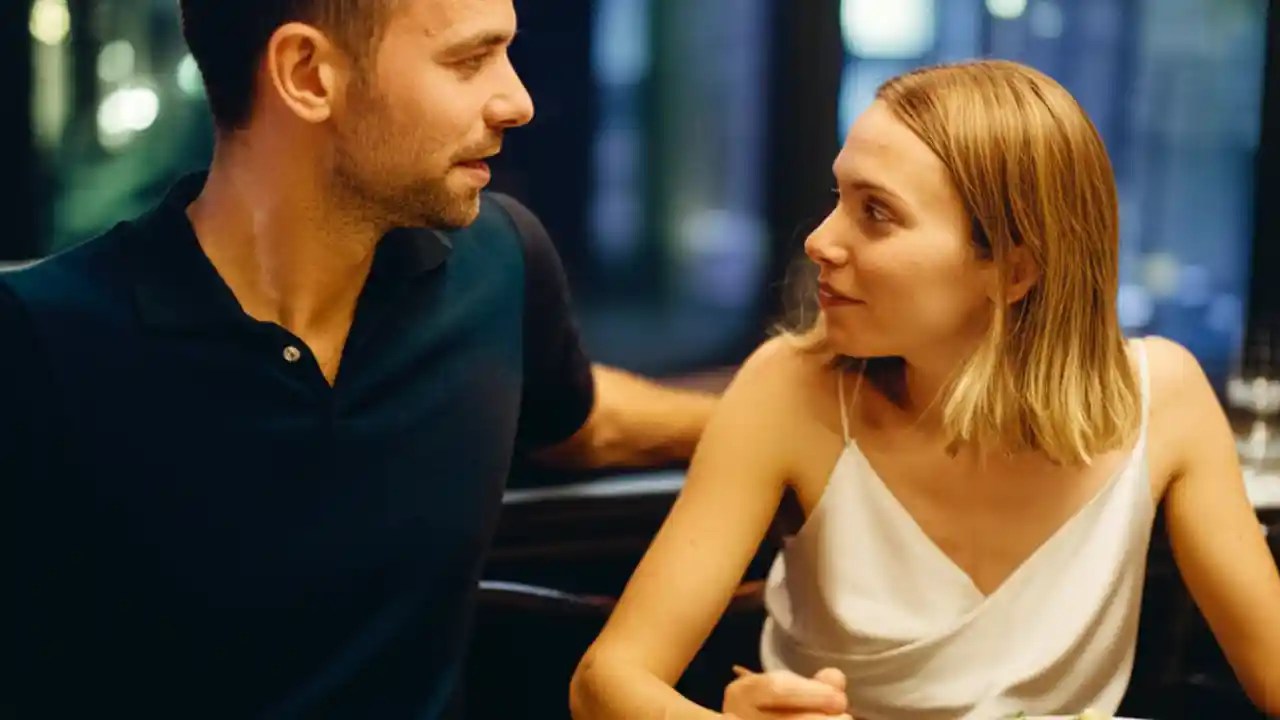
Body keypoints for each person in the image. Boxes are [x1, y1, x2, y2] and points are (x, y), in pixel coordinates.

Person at [2, 0, 716, 717]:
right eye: (470, 60)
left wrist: (769, 422)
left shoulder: (499, 265)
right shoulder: (41, 341)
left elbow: (583, 422)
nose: (518, 101)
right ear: (308, 74)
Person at [569, 60, 1280, 720]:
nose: (820, 241)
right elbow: (605, 682)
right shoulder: (790, 388)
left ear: (1013, 271)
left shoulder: (1165, 397)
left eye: (876, 213)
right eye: (839, 198)